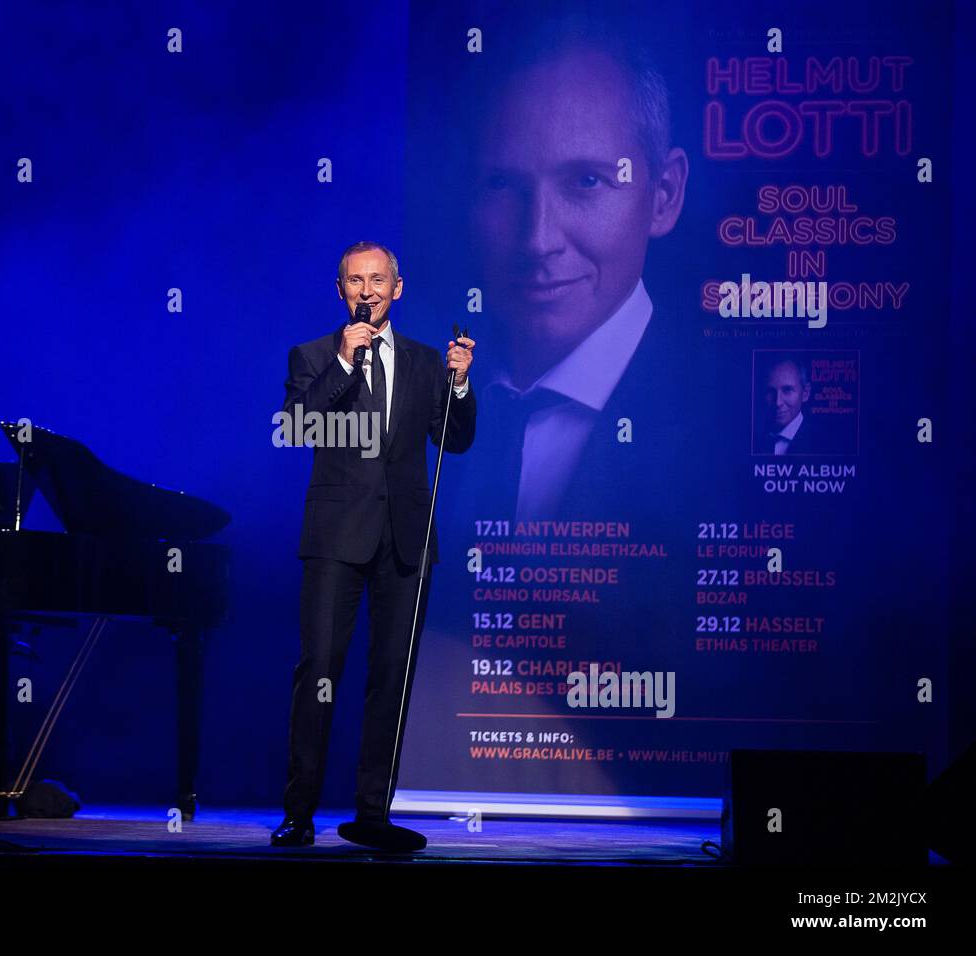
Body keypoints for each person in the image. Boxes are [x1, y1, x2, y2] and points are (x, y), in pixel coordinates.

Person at [272, 242, 476, 848]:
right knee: (319, 673)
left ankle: (372, 814)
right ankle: (299, 812)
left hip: (406, 542)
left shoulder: (421, 360)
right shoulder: (312, 355)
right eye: (355, 281)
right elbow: (296, 427)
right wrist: (341, 361)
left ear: (398, 288)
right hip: (336, 538)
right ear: (340, 290)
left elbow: (454, 440)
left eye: (378, 279)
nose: (367, 290)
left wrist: (460, 385)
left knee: (392, 676)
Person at [468, 26, 689, 522]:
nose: (537, 240)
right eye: (502, 184)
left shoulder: (729, 420)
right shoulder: (417, 401)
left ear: (664, 195)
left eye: (587, 181)